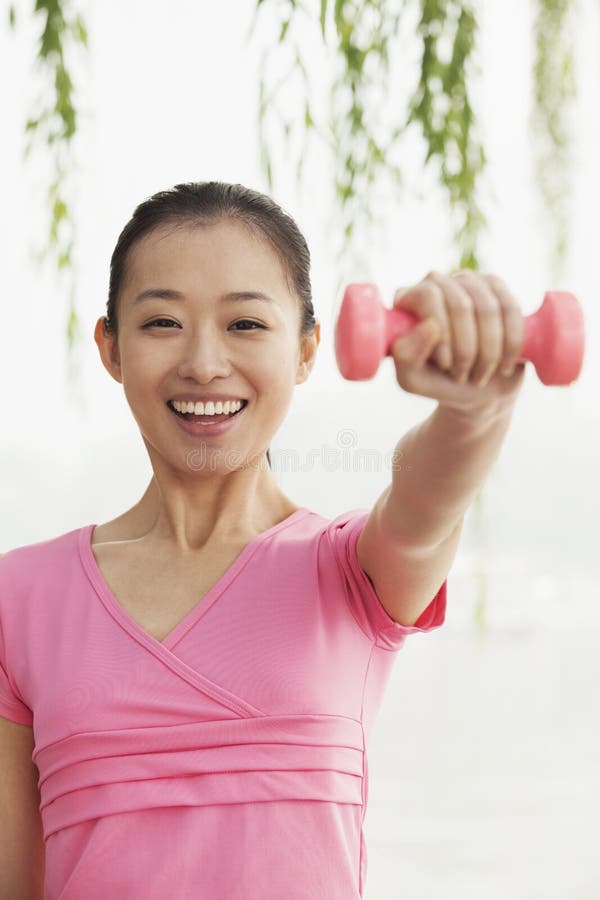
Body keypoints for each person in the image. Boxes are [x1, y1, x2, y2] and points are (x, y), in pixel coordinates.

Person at [0, 181, 525, 899]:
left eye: (245, 323)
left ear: (306, 350)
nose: (203, 363)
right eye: (162, 323)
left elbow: (426, 501)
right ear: (111, 348)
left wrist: (472, 412)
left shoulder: (350, 571)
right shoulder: (19, 598)